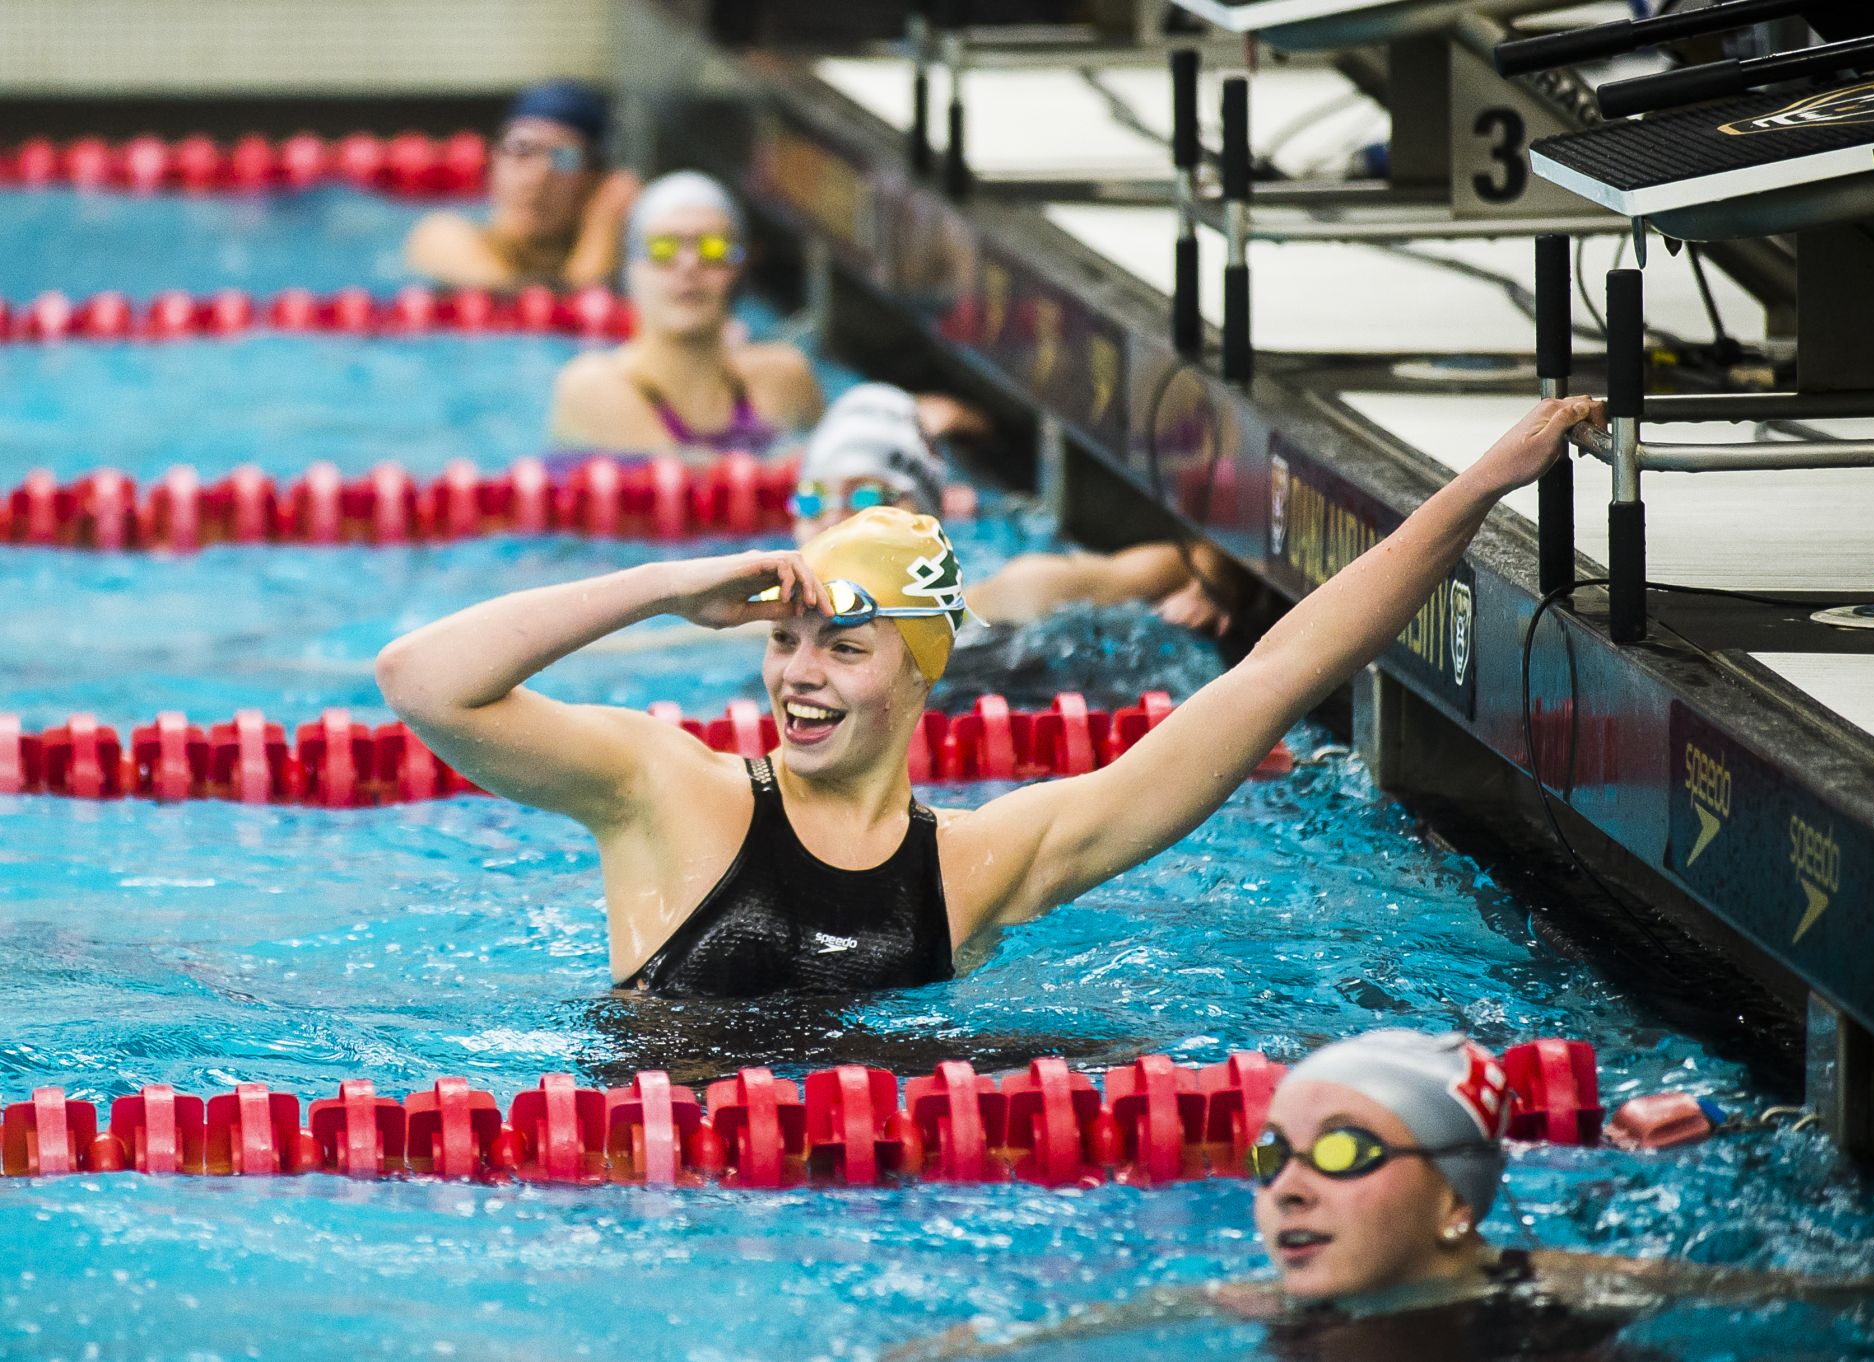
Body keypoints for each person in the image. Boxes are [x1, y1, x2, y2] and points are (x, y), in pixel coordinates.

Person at [374, 397, 1600, 998]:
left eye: (842, 647)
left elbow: (1278, 675)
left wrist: (1475, 489)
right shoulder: (664, 790)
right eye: (784, 640)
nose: (797, 673)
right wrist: (666, 587)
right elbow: (420, 682)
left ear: (922, 672)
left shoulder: (984, 863)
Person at [899, 1029, 1874, 1360]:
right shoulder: (1262, 1307)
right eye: (1270, 1158)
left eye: (1341, 1154)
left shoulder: (1557, 1303)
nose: (1286, 1189)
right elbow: (1087, 1329)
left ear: (1457, 1200)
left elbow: (1769, 1297)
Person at [792, 382, 1249, 632]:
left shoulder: (1015, 597)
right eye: (813, 500)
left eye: (867, 498)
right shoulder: (772, 625)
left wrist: (1214, 582)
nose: (833, 522)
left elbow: (1192, 555)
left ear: (926, 518)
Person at [547, 171, 822, 459]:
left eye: (713, 248)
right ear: (630, 269)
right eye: (662, 248)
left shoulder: (783, 380)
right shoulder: (593, 387)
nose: (689, 265)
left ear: (738, 268)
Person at [405, 80, 640, 290]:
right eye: (521, 150)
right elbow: (537, 308)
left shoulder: (629, 251)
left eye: (563, 158)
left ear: (595, 180)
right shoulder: (444, 237)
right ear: (493, 163)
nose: (538, 176)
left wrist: (608, 219)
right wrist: (601, 233)